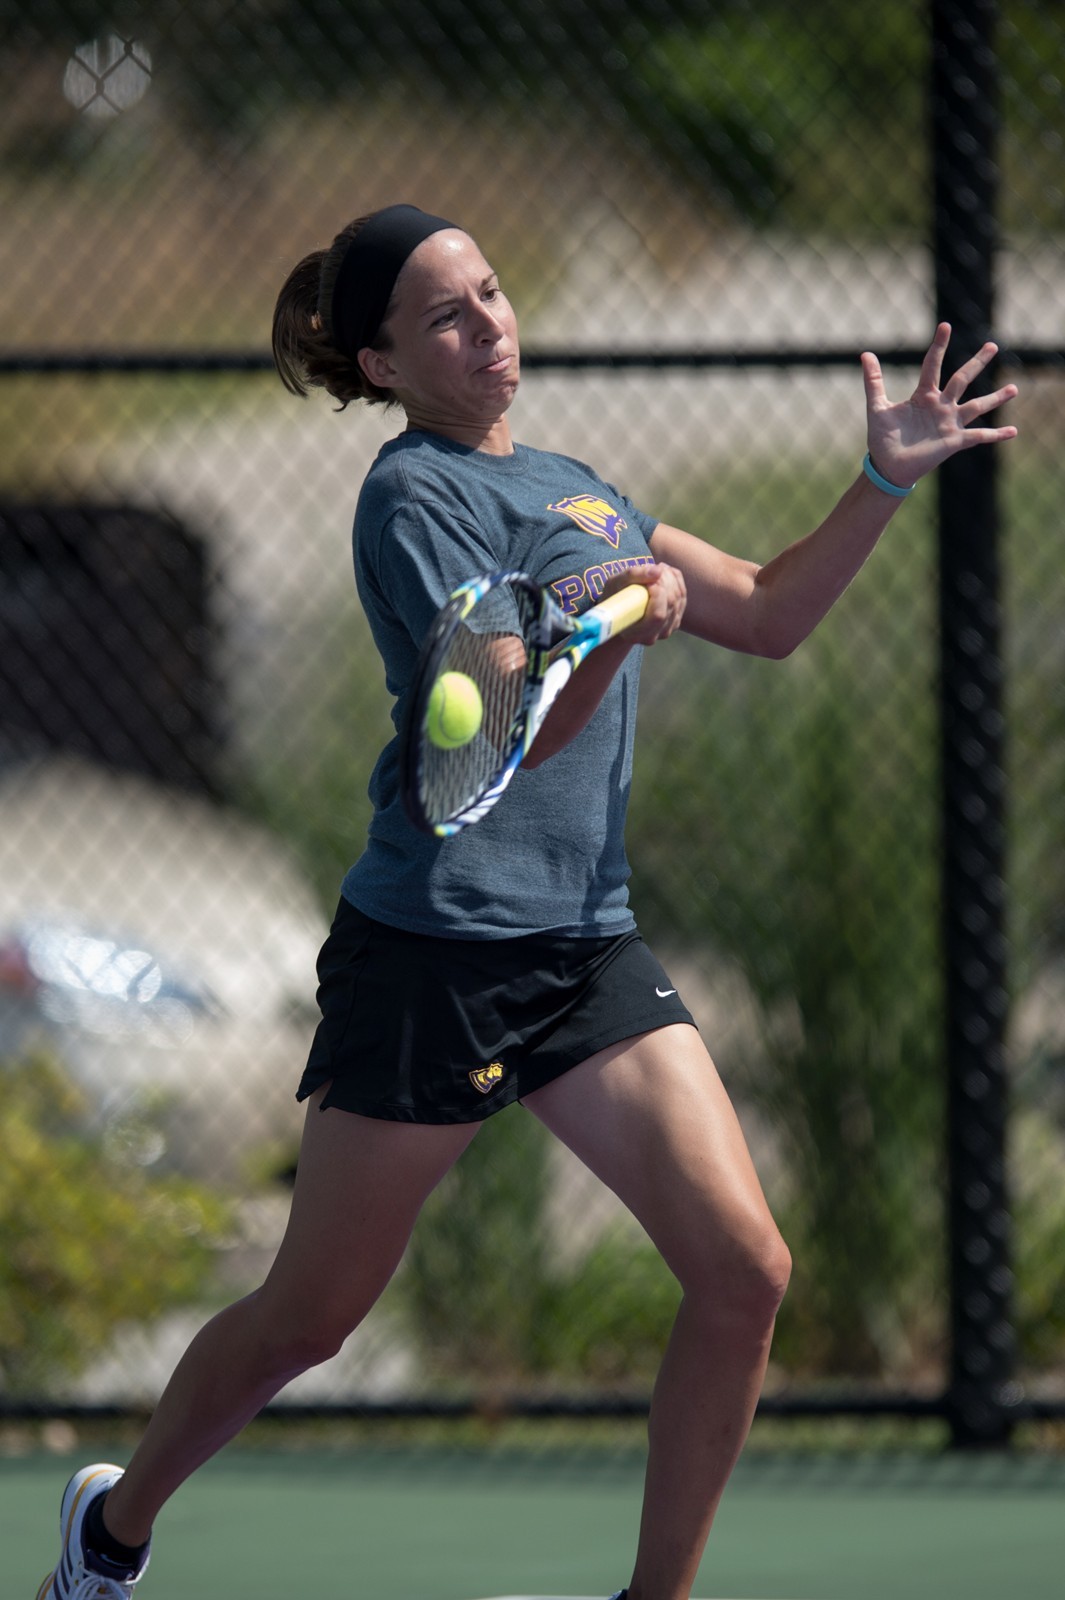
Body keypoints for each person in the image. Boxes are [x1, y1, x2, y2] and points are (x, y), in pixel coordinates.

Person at [37, 204, 1018, 1600]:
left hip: (582, 951)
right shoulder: (412, 498)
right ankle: (114, 1526)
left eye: (490, 291)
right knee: (307, 1322)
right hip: (430, 959)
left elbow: (768, 609)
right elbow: (498, 738)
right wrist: (617, 627)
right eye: (444, 314)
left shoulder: (579, 483)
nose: (487, 321)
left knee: (743, 1271)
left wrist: (878, 481)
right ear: (380, 363)